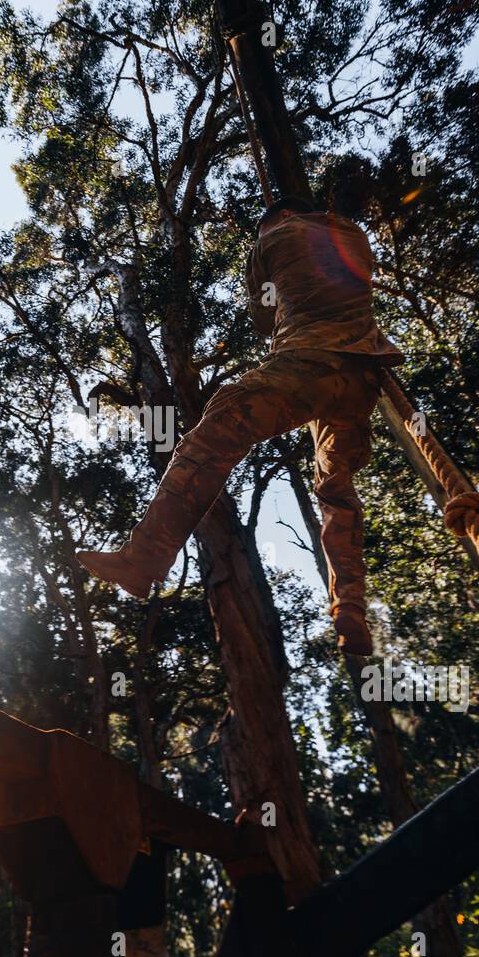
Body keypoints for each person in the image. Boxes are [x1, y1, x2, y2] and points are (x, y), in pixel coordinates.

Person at [77, 196, 404, 655]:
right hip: (363, 377)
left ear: (274, 221)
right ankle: (349, 604)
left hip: (307, 365)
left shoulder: (272, 237)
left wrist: (274, 272)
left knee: (215, 432)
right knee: (336, 491)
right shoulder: (350, 229)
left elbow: (260, 316)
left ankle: (144, 556)